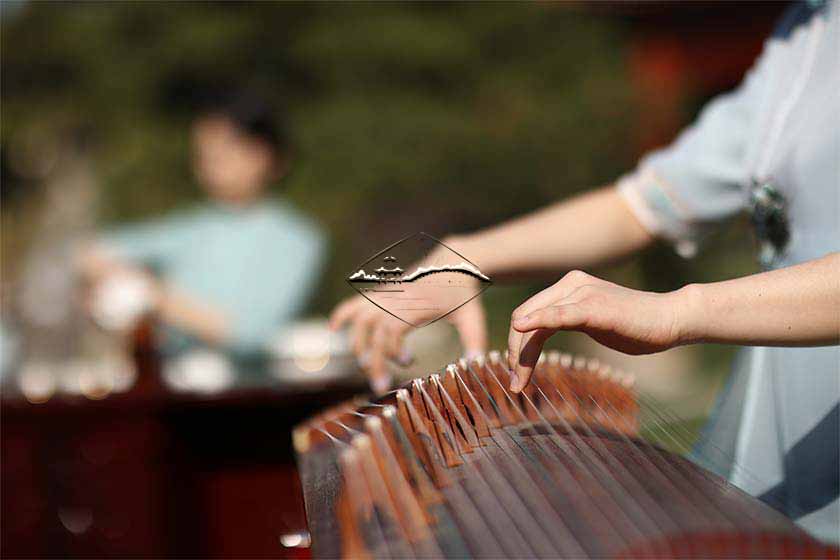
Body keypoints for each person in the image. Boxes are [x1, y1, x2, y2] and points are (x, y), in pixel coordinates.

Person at [330, 0, 839, 542]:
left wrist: (676, 310)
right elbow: (643, 205)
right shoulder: (805, 28)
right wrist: (464, 259)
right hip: (782, 441)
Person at [80, 92, 327, 386]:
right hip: (173, 391)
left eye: (225, 151)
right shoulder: (189, 228)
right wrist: (110, 279)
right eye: (204, 154)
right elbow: (95, 251)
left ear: (264, 154)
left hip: (250, 399)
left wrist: (154, 297)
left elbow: (253, 335)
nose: (212, 163)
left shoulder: (297, 238)